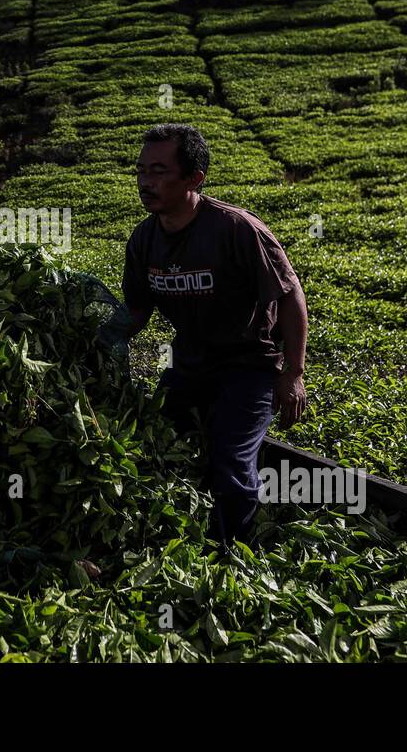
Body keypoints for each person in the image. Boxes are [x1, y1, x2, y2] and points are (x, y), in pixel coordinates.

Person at [114, 124, 309, 547]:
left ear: (194, 178)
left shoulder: (237, 229)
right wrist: (89, 336)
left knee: (230, 458)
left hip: (249, 367)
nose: (146, 182)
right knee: (152, 439)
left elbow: (291, 296)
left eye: (160, 171)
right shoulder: (144, 239)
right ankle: (165, 536)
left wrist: (293, 373)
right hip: (189, 364)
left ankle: (232, 555)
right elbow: (137, 312)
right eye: (141, 170)